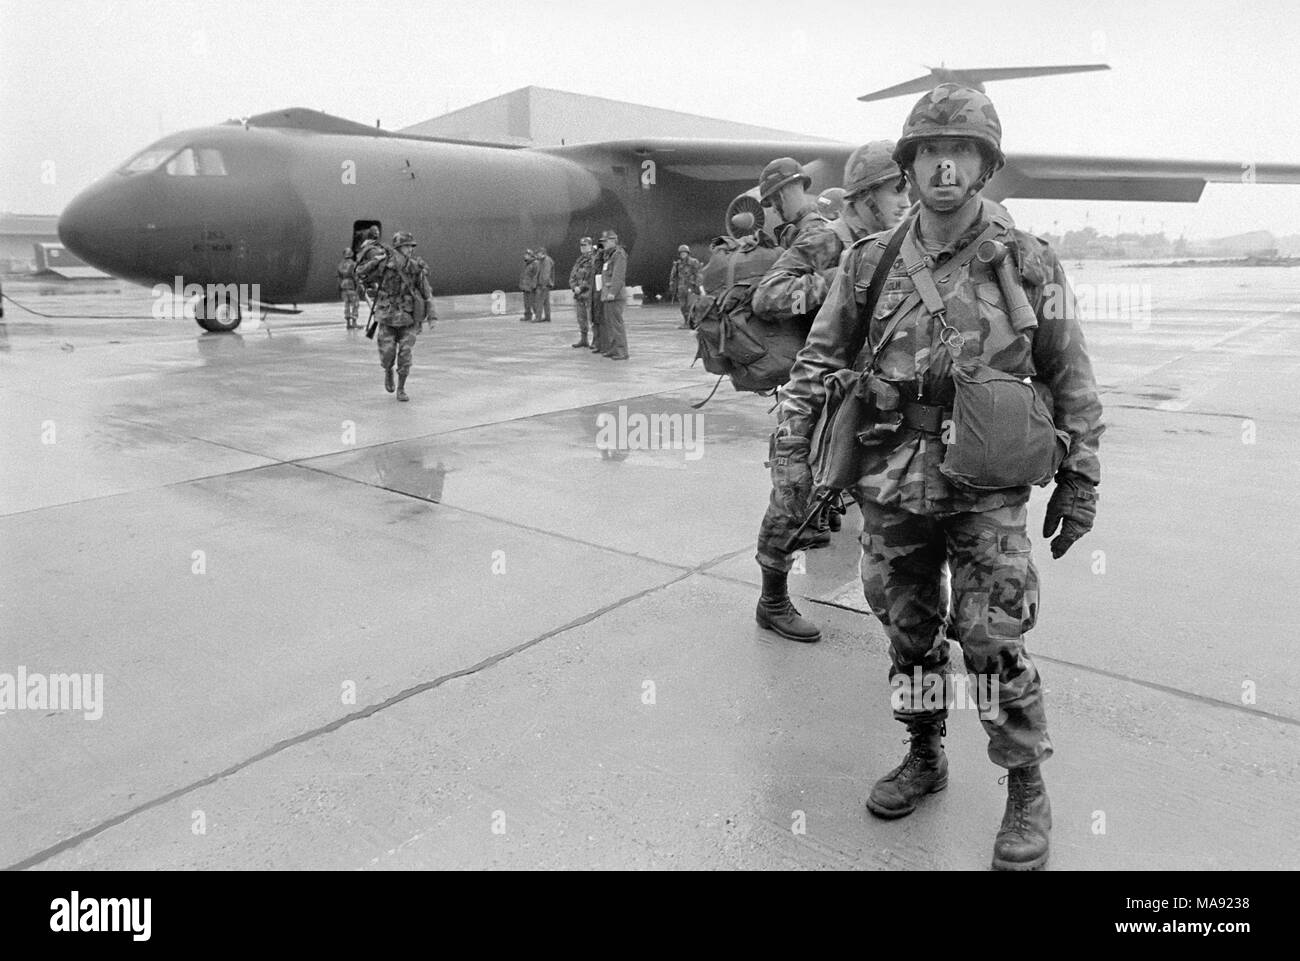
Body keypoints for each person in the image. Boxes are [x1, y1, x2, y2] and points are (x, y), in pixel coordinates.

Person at [771, 84, 1103, 870]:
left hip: (986, 486)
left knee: (992, 637)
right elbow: (818, 362)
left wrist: (1082, 475)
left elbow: (1071, 371)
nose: (944, 165)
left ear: (984, 166)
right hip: (890, 480)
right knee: (909, 630)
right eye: (930, 151)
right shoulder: (868, 261)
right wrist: (791, 454)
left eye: (961, 151)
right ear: (909, 165)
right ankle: (925, 752)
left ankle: (1025, 785)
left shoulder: (1029, 260)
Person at [752, 142, 915, 645]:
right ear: (866, 196)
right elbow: (768, 295)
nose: (906, 198)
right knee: (792, 496)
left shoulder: (898, 243)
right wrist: (838, 281)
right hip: (816, 391)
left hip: (867, 398)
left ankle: (914, 616)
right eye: (896, 188)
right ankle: (772, 598)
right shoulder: (830, 240)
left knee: (888, 507)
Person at [355, 230, 436, 402]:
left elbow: (426, 291)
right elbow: (360, 273)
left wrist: (432, 316)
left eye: (411, 247)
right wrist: (373, 262)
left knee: (405, 355)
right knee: (387, 353)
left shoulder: (414, 267)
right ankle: (388, 370)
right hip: (387, 316)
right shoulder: (383, 265)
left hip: (408, 318)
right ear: (399, 247)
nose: (411, 250)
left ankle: (401, 388)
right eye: (407, 246)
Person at [598, 229, 629, 360]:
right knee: (609, 324)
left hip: (614, 295)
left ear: (612, 241)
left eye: (605, 241)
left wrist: (612, 292)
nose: (604, 244)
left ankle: (622, 351)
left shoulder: (619, 255)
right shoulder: (609, 255)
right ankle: (613, 348)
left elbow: (618, 275)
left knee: (616, 324)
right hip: (607, 295)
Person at [568, 236, 596, 348]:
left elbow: (592, 277)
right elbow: (572, 275)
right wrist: (574, 287)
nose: (583, 248)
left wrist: (581, 288)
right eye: (581, 245)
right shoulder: (580, 260)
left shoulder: (594, 259)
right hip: (579, 295)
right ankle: (584, 340)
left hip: (589, 294)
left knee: (592, 319)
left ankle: (595, 341)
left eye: (585, 245)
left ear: (590, 245)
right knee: (581, 318)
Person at [668, 244, 703, 329]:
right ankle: (686, 322)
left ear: (688, 253)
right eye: (681, 253)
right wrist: (672, 286)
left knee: (691, 305)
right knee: (683, 306)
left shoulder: (693, 262)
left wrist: (697, 285)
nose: (683, 254)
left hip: (691, 287)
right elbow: (673, 276)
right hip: (681, 288)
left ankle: (693, 322)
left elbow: (698, 274)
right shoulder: (677, 264)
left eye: (684, 253)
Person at [337, 247, 359, 329]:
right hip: (351, 285)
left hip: (343, 286)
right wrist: (358, 287)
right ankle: (354, 322)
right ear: (351, 254)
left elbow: (338, 277)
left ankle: (348, 323)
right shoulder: (353, 264)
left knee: (347, 305)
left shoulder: (340, 264)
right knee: (355, 304)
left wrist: (339, 287)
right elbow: (356, 276)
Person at [533, 247, 555, 322]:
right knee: (546, 302)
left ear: (542, 253)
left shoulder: (546, 261)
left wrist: (543, 284)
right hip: (546, 284)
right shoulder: (543, 260)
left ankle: (538, 317)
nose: (536, 255)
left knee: (539, 301)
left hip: (543, 284)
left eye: (538, 253)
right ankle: (547, 317)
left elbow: (545, 274)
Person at [518, 249, 537, 322]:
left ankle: (537, 316)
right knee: (526, 303)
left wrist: (534, 285)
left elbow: (536, 275)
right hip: (525, 287)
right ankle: (527, 316)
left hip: (531, 287)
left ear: (530, 256)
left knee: (533, 303)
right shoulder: (526, 264)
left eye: (526, 255)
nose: (525, 256)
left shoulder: (535, 263)